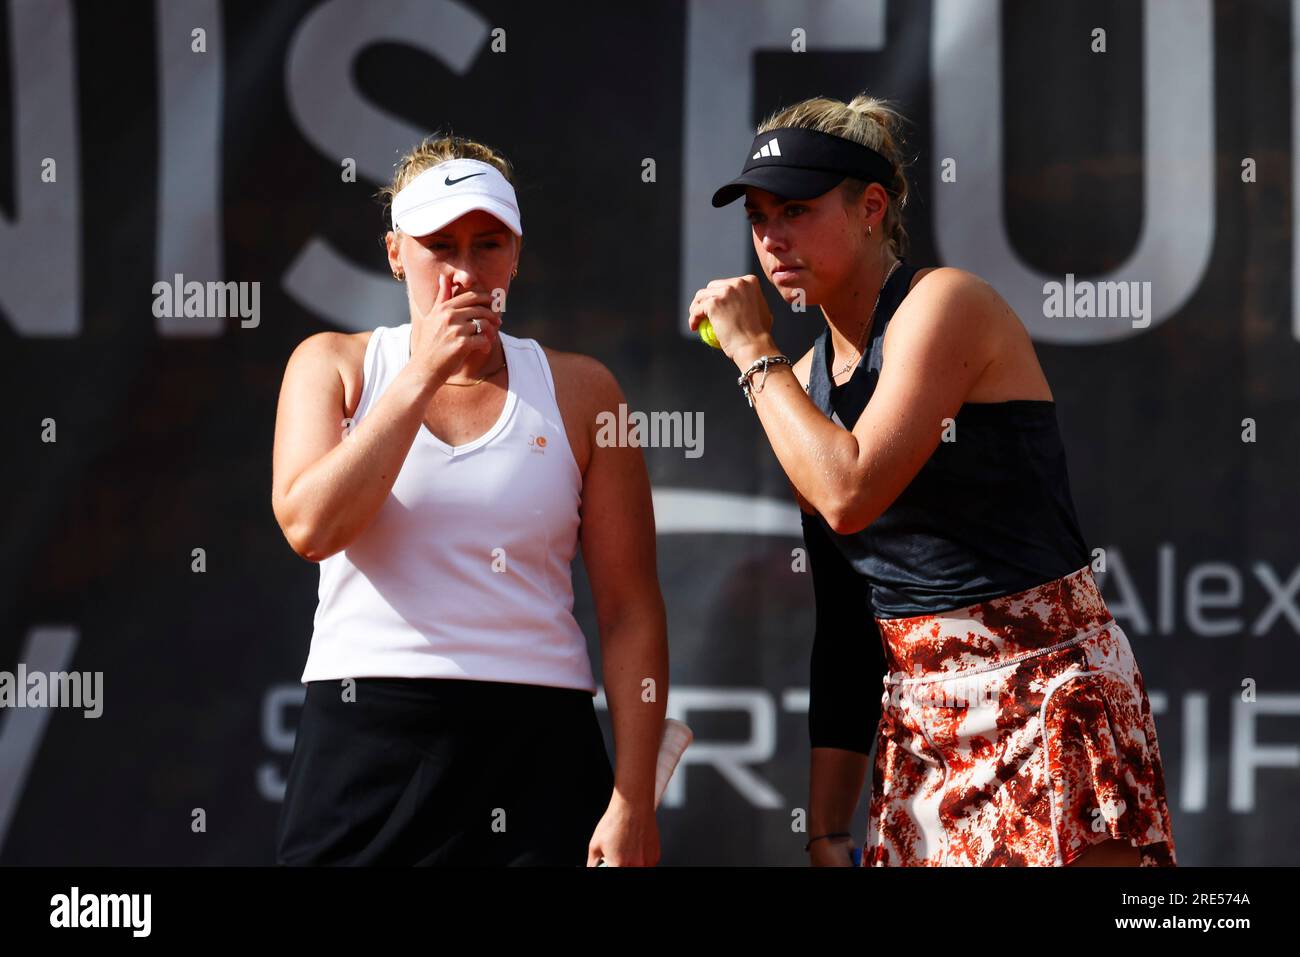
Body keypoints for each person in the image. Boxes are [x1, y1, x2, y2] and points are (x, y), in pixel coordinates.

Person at [690, 94, 1176, 867]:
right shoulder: (799, 381)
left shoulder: (945, 303)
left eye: (796, 210)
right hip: (918, 733)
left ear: (871, 208)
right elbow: (845, 619)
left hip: (1046, 696)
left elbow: (849, 492)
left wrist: (752, 352)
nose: (771, 238)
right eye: (758, 217)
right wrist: (827, 826)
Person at [271, 133, 667, 866]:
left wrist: (633, 800)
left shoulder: (585, 390)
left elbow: (630, 609)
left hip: (539, 747)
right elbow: (310, 526)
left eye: (487, 245)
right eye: (438, 246)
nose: (463, 271)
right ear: (396, 253)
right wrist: (422, 373)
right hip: (366, 743)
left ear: (516, 254)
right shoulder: (332, 365)